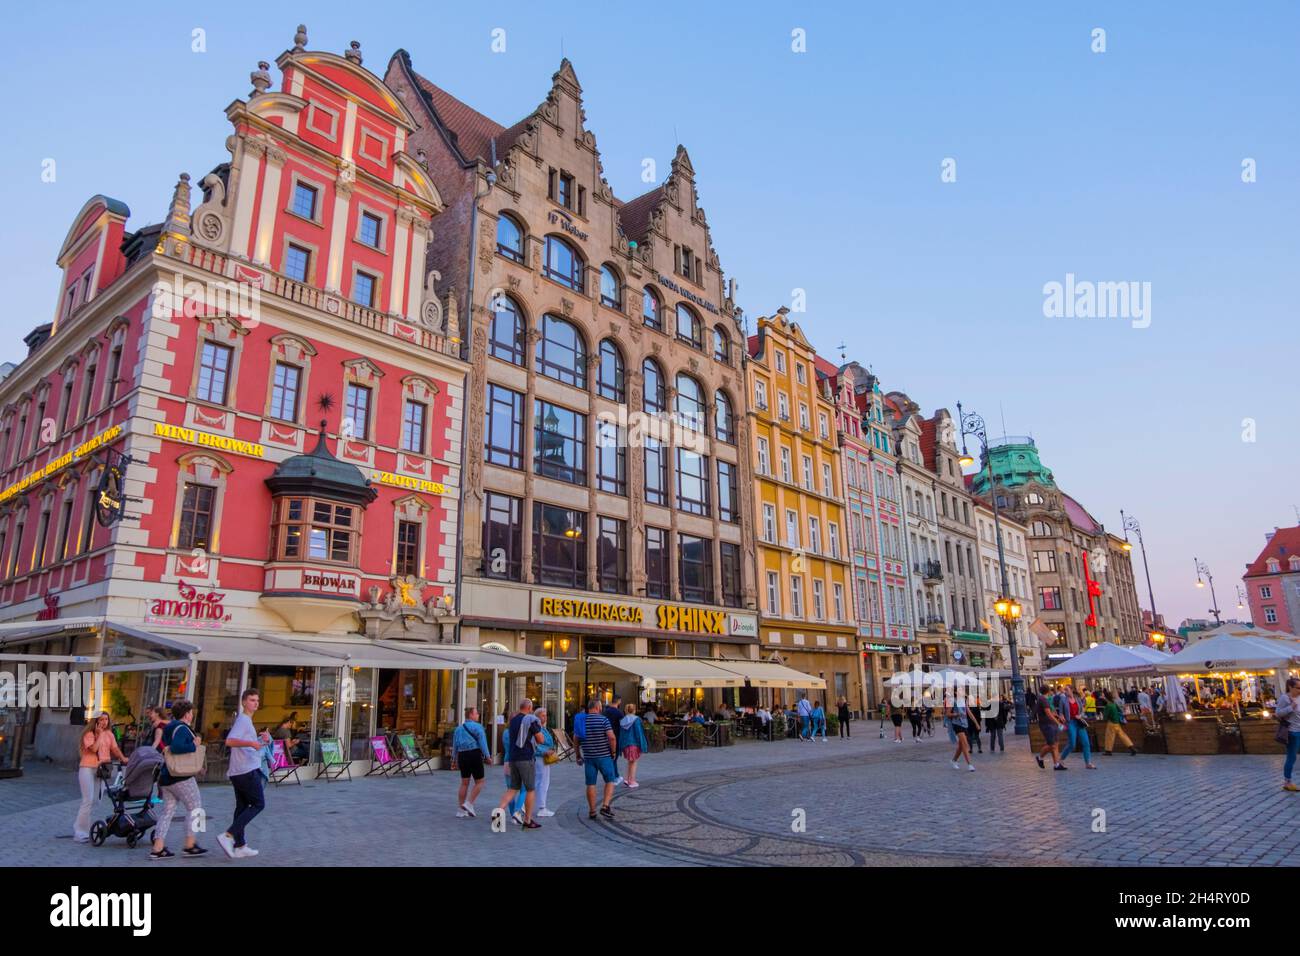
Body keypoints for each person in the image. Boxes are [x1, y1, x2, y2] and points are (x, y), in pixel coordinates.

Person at [150, 699, 208, 859]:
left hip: (167, 775)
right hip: (181, 776)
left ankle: (158, 847)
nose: (192, 714)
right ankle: (190, 844)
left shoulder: (169, 726)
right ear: (187, 714)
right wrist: (194, 745)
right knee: (196, 807)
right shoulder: (183, 729)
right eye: (191, 712)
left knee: (167, 811)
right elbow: (177, 747)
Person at [219, 688, 271, 859]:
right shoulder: (243, 720)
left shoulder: (246, 720)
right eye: (251, 700)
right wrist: (252, 742)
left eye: (257, 700)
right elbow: (230, 741)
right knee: (258, 804)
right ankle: (228, 835)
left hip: (239, 770)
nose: (255, 703)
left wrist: (260, 741)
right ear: (243, 702)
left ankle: (240, 845)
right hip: (246, 771)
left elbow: (247, 746)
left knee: (241, 807)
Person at [74, 711, 126, 843]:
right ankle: (80, 832)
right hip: (87, 768)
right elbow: (94, 749)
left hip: (102, 770)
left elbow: (114, 748)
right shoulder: (89, 734)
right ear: (95, 721)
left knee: (97, 801)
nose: (104, 722)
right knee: (88, 800)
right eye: (101, 719)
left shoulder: (109, 734)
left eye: (106, 720)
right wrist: (100, 735)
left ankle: (84, 826)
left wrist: (123, 758)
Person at [495, 698, 545, 829]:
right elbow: (540, 739)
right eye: (532, 708)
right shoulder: (530, 720)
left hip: (513, 758)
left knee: (513, 788)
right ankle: (528, 820)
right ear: (529, 708)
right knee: (530, 789)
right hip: (526, 758)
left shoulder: (513, 721)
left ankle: (497, 815)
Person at [576, 698, 618, 820]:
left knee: (590, 784)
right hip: (604, 756)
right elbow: (611, 737)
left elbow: (576, 739)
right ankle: (605, 806)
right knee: (610, 780)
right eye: (600, 707)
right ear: (598, 707)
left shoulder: (581, 720)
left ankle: (592, 811)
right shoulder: (603, 720)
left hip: (589, 757)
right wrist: (613, 751)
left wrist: (578, 754)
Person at [452, 706, 491, 817]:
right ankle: (469, 803)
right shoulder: (478, 727)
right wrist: (488, 756)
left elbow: (455, 745)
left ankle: (460, 810)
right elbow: (483, 743)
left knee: (464, 782)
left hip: (462, 755)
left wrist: (454, 758)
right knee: (480, 782)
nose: (478, 715)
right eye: (476, 713)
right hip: (474, 754)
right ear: (471, 715)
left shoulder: (458, 729)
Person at [1057, 684, 1096, 769]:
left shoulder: (1077, 699)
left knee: (1086, 742)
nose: (1065, 691)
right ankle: (1061, 759)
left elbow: (1082, 710)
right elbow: (1060, 712)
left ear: (1071, 690)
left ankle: (1088, 763)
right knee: (1072, 744)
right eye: (1064, 690)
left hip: (1079, 722)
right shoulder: (1063, 700)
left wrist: (1080, 715)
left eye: (1067, 689)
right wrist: (1061, 716)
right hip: (1070, 722)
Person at [1034, 686, 1066, 770]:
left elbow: (1050, 712)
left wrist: (1057, 716)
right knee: (1051, 744)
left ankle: (1056, 764)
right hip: (1047, 725)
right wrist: (1058, 723)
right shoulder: (1043, 700)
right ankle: (1040, 757)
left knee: (1055, 744)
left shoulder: (1044, 699)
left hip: (1050, 724)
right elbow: (1048, 713)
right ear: (1048, 691)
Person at [532, 707, 557, 817]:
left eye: (546, 715)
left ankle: (540, 806)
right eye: (543, 715)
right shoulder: (537, 728)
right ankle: (541, 807)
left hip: (544, 757)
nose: (545, 717)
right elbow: (534, 745)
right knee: (541, 782)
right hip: (540, 758)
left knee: (543, 781)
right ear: (537, 717)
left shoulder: (542, 728)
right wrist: (544, 752)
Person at [1276, 678, 1300, 792]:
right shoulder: (1285, 698)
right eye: (1298, 688)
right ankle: (1287, 782)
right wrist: (1291, 707)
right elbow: (1278, 713)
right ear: (1290, 687)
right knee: (1292, 756)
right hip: (1292, 732)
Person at [1100, 691, 1139, 756]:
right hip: (1117, 722)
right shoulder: (1114, 704)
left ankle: (1108, 751)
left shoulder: (1108, 706)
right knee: (1123, 736)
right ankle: (1132, 748)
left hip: (1111, 723)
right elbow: (1120, 711)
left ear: (1106, 698)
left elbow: (1105, 717)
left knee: (1109, 737)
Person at [619, 703, 648, 788]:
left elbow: (621, 734)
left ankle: (627, 779)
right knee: (634, 762)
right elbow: (639, 733)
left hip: (626, 744)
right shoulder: (636, 720)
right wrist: (643, 744)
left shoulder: (623, 720)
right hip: (634, 743)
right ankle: (631, 781)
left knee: (629, 762)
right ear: (634, 710)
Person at [948, 696, 974, 771]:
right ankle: (970, 764)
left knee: (960, 746)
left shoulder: (963, 701)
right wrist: (956, 714)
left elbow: (969, 712)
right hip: (956, 724)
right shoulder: (952, 701)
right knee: (965, 744)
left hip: (964, 724)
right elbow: (948, 713)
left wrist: (976, 723)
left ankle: (953, 761)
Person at [603, 695, 625, 782]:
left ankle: (615, 775)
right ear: (619, 701)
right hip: (615, 737)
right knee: (614, 757)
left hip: (605, 737)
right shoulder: (619, 713)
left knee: (610, 757)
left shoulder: (605, 712)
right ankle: (613, 777)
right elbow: (623, 726)